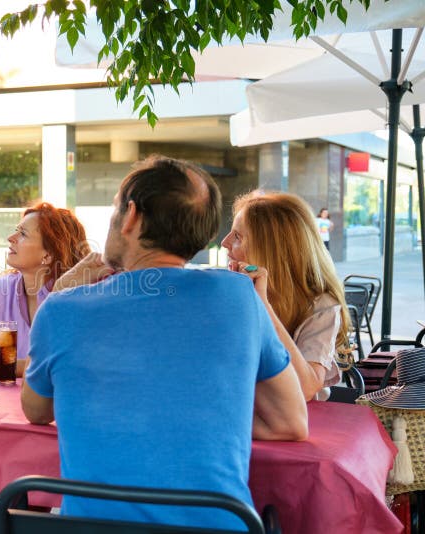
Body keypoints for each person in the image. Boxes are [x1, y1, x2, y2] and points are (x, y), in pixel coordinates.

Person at [22, 156, 308, 530]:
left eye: (113, 208)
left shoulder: (60, 309)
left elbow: (36, 410)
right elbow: (291, 422)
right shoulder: (240, 297)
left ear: (131, 217)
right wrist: (207, 415)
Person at [221, 191, 352, 401]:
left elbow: (306, 387)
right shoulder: (232, 293)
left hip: (302, 425)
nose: (224, 242)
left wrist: (262, 304)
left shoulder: (321, 306)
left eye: (237, 236)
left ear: (272, 249)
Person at [0, 202, 94, 378]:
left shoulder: (74, 298)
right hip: (6, 402)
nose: (11, 238)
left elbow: (70, 363)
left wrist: (3, 366)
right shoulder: (2, 290)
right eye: (16, 230)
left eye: (23, 234)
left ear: (48, 255)